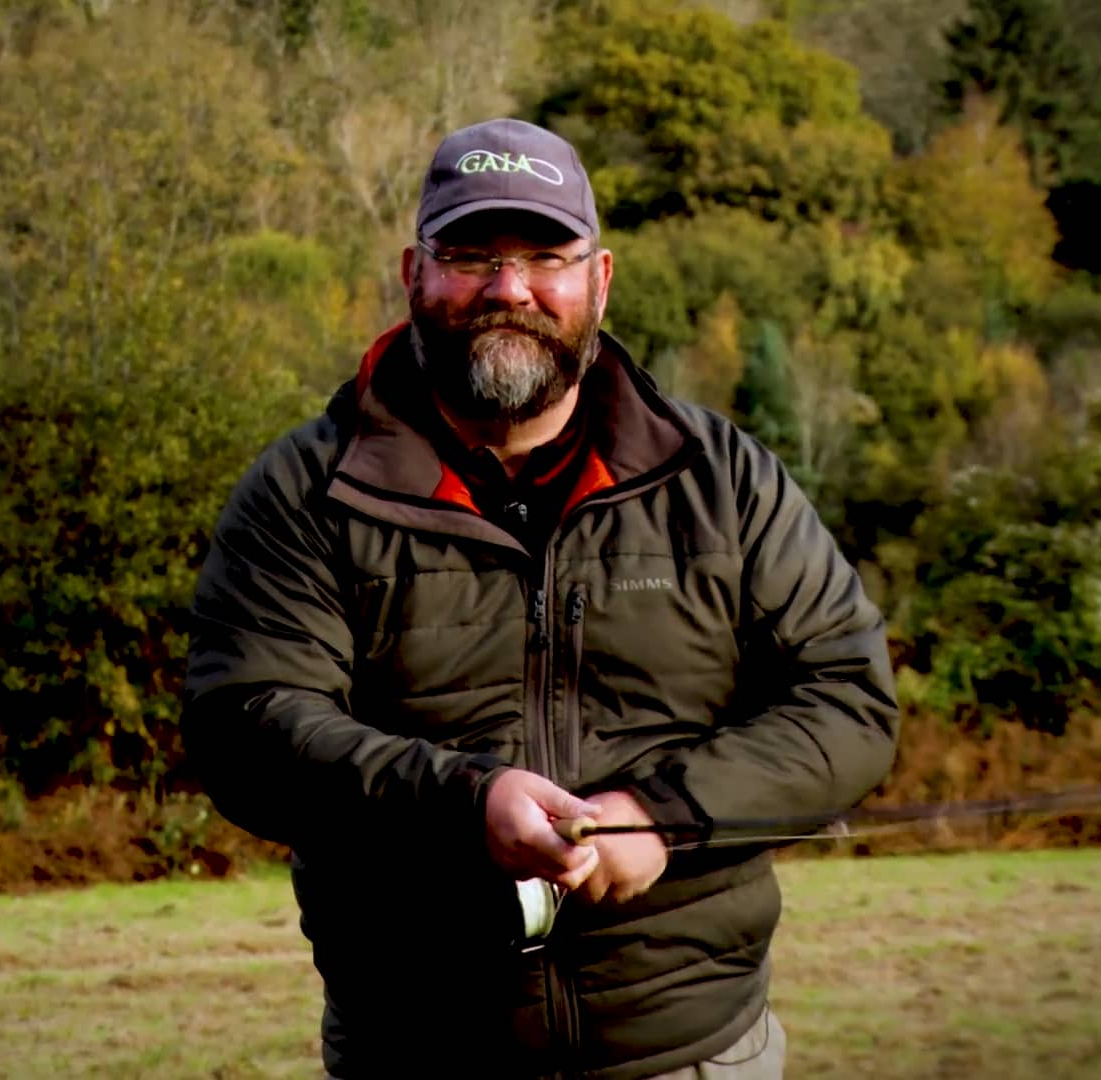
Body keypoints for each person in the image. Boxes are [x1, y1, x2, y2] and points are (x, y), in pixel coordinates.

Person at [182, 117, 898, 1080]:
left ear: (599, 279)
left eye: (545, 256)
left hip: (692, 1052)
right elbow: (247, 727)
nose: (508, 289)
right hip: (416, 1054)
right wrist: (467, 804)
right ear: (414, 274)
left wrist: (670, 814)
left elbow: (849, 699)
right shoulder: (306, 490)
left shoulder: (719, 477)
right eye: (471, 255)